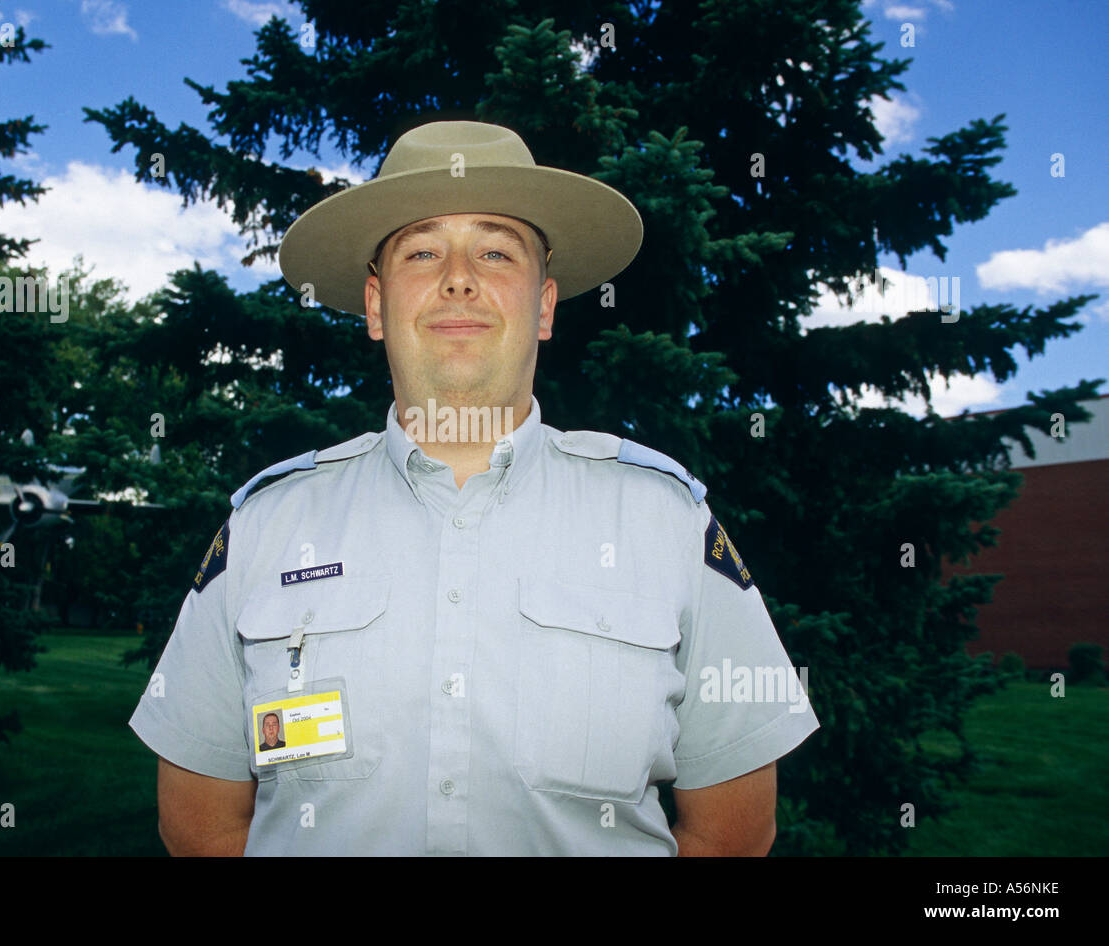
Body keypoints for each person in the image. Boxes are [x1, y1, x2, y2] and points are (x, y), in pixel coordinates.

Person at [130, 120, 820, 856]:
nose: (459, 276)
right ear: (375, 305)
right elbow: (199, 826)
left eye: (495, 251)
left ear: (546, 306)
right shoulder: (267, 526)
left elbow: (732, 833)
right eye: (423, 251)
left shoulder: (667, 523)